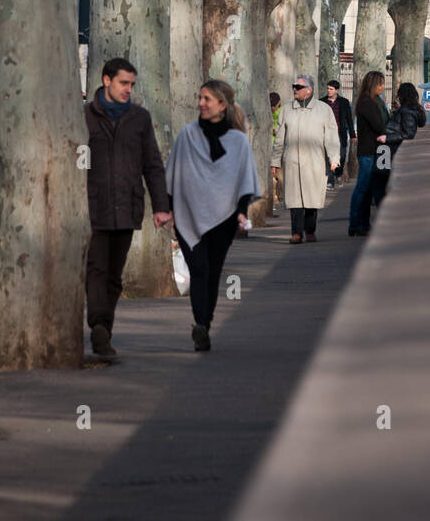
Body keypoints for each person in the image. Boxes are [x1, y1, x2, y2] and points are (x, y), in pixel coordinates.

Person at [84, 58, 172, 359]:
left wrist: (161, 207)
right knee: (96, 268)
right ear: (106, 80)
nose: (128, 89)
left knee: (114, 275)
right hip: (92, 208)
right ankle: (98, 325)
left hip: (127, 206)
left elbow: (153, 165)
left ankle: (103, 331)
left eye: (132, 84)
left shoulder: (140, 118)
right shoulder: (84, 117)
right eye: (123, 83)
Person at [165, 78, 260, 352]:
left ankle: (205, 323)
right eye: (200, 98)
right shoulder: (187, 135)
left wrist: (242, 213)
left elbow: (244, 180)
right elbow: (172, 174)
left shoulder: (238, 142)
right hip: (188, 216)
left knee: (213, 271)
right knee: (199, 269)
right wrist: (166, 208)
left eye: (207, 99)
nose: (201, 103)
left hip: (224, 218)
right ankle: (200, 324)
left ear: (222, 104)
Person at [270, 74, 340, 243]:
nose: (295, 89)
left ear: (308, 90)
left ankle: (310, 230)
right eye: (294, 86)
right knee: (294, 200)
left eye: (298, 87)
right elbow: (279, 138)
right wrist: (275, 161)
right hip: (292, 160)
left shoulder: (324, 110)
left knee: (311, 199)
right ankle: (296, 233)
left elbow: (331, 136)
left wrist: (334, 158)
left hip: (315, 161)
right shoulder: (286, 109)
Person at [348, 70, 390, 237]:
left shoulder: (377, 100)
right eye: (380, 84)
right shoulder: (367, 102)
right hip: (368, 151)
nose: (382, 87)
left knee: (371, 188)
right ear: (373, 85)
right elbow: (379, 124)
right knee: (363, 187)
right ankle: (355, 223)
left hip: (377, 150)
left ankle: (363, 224)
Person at [379, 82, 426, 203]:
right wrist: (397, 111)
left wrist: (387, 138)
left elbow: (408, 133)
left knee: (381, 178)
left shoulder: (406, 111)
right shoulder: (410, 109)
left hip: (392, 149)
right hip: (394, 149)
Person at [320, 78, 354, 188]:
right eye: (328, 88)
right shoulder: (321, 102)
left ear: (337, 90)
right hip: (326, 134)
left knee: (342, 155)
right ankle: (330, 180)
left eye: (331, 89)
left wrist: (353, 134)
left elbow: (349, 119)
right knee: (328, 157)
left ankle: (338, 173)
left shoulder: (344, 102)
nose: (328, 91)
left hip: (340, 133)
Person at [269, 92, 283, 210]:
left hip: (280, 148)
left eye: (275, 105)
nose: (273, 108)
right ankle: (273, 198)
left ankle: (279, 196)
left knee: (279, 177)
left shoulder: (283, 112)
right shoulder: (266, 112)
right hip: (268, 148)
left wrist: (276, 131)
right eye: (271, 106)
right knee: (272, 175)